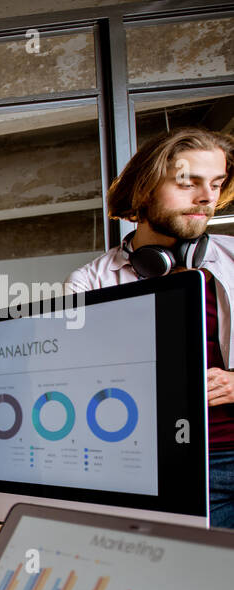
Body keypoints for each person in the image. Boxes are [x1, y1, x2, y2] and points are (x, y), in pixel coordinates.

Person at [64, 126, 234, 528]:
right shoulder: (89, 283)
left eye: (215, 183)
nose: (206, 197)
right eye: (187, 183)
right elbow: (82, 386)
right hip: (158, 466)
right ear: (143, 188)